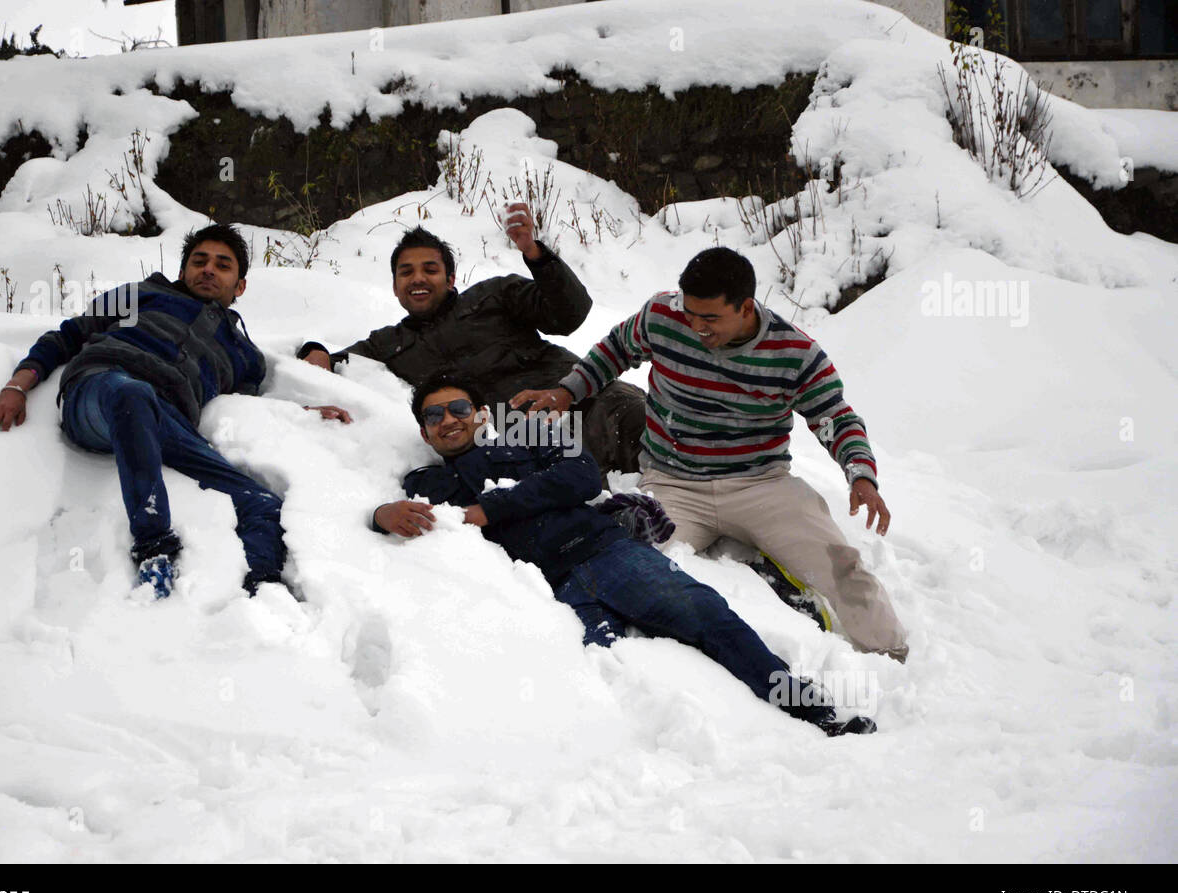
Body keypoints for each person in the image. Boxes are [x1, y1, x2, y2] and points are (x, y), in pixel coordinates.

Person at [370, 373, 876, 737]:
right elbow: (419, 523)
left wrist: (491, 507)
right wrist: (380, 515)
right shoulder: (425, 482)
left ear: (481, 414)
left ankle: (805, 705)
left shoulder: (531, 435)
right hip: (549, 595)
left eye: (459, 409)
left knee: (705, 617)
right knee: (614, 688)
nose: (448, 421)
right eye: (433, 416)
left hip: (604, 553)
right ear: (424, 432)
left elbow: (583, 477)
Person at [512, 247, 909, 662]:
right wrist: (565, 390)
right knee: (623, 559)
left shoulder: (795, 354)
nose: (697, 327)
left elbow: (836, 418)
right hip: (672, 481)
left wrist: (860, 474)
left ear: (745, 307)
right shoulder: (663, 317)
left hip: (760, 483)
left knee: (841, 564)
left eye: (711, 318)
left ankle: (891, 655)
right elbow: (614, 351)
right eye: (691, 314)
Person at [0, 224, 351, 599]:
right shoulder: (142, 294)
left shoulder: (245, 355)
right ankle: (154, 547)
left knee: (263, 503)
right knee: (132, 395)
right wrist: (17, 387)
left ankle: (263, 591)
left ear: (240, 286)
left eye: (223, 265)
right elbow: (65, 337)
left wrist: (304, 411)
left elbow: (246, 408)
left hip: (167, 420)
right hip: (101, 390)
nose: (208, 269)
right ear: (182, 271)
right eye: (199, 261)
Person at [295, 206, 645, 476]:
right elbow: (328, 364)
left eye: (430, 269)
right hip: (521, 437)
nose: (418, 278)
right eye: (407, 272)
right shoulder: (387, 345)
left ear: (450, 279)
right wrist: (314, 350)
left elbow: (571, 313)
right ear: (394, 286)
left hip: (580, 395)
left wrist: (536, 254)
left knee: (645, 426)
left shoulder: (494, 294)